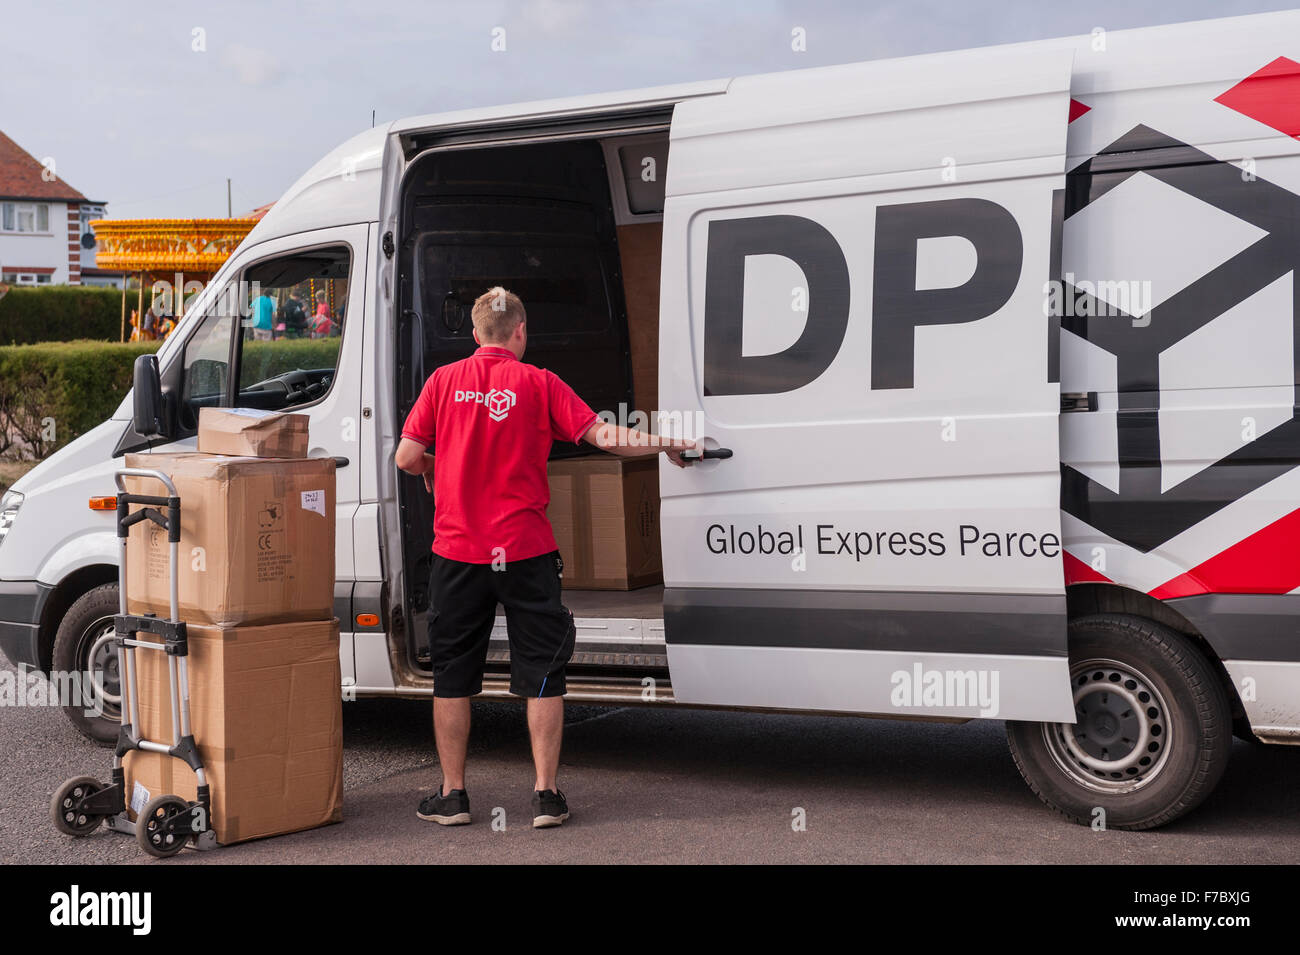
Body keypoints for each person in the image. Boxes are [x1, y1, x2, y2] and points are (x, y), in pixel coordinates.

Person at [394, 286, 695, 829]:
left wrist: (437, 469)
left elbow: (406, 456)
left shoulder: (443, 382)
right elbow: (603, 435)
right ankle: (546, 796)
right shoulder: (539, 383)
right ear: (521, 332)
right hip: (526, 551)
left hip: (458, 553)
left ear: (475, 333)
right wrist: (663, 440)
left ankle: (454, 796)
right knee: (541, 673)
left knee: (452, 678)